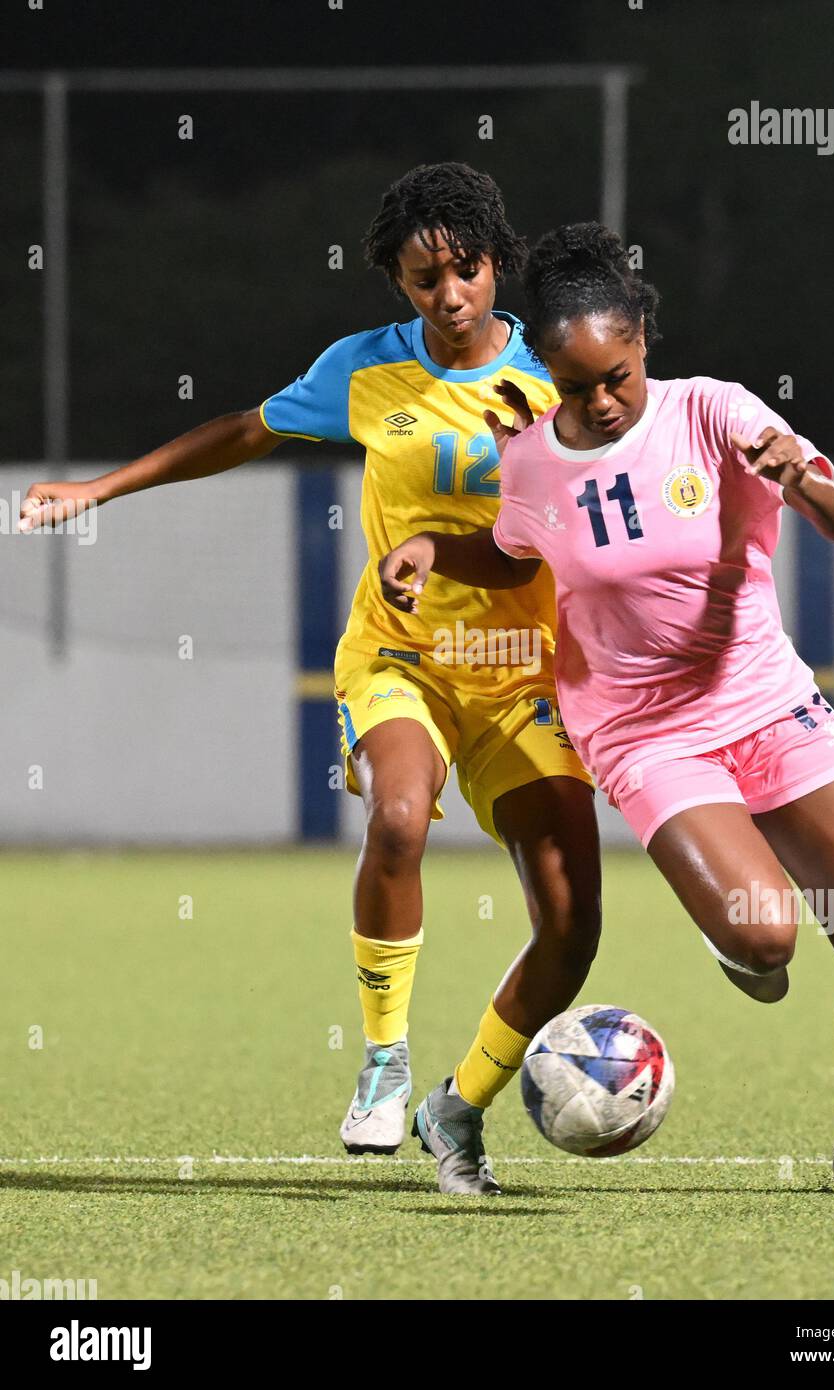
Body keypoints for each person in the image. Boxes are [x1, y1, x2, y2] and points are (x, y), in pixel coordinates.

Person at [19, 166, 602, 1197]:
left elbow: (625, 484)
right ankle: (384, 1059)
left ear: (496, 262)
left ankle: (457, 1105)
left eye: (465, 268)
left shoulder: (558, 373)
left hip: (522, 677)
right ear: (399, 284)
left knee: (571, 917)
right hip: (401, 658)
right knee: (398, 819)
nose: (449, 292)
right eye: (425, 277)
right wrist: (99, 488)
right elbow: (244, 430)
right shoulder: (363, 371)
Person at [379, 221, 834, 1201]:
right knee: (766, 940)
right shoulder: (535, 463)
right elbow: (511, 552)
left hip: (765, 702)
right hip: (643, 732)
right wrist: (429, 546)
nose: (602, 401)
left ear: (642, 342)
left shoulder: (712, 413)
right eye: (578, 384)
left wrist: (797, 479)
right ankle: (738, 934)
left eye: (618, 374)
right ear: (544, 365)